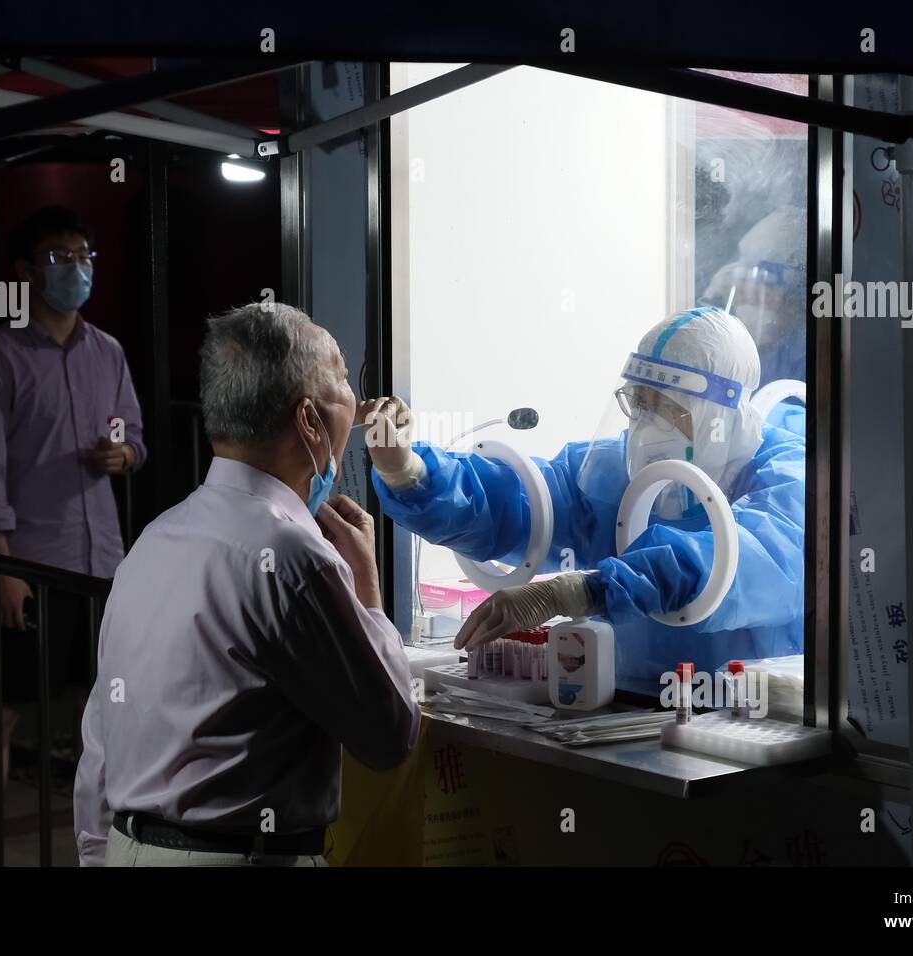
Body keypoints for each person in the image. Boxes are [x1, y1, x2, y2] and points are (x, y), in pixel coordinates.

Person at [74, 302, 419, 867]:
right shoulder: (294, 557)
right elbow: (388, 735)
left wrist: (98, 856)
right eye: (341, 377)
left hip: (127, 850)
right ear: (309, 420)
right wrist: (367, 590)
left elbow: (100, 740)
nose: (357, 408)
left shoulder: (156, 539)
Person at [363, 306, 804, 697]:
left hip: (744, 723)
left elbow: (746, 559)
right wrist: (411, 473)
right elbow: (523, 502)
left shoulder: (790, 475)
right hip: (627, 705)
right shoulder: (612, 472)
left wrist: (589, 590)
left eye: (668, 406)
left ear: (720, 418)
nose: (646, 424)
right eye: (639, 401)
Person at [0, 205, 146, 866]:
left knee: (96, 711)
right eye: (60, 257)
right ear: (24, 271)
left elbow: (135, 437)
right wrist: (2, 568)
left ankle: (94, 849)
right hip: (33, 564)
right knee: (1, 712)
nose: (77, 267)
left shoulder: (109, 351)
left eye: (85, 254)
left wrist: (122, 456)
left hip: (102, 564)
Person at [700, 205, 807, 384]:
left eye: (765, 289)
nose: (748, 299)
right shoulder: (730, 349)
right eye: (742, 291)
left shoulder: (804, 354)